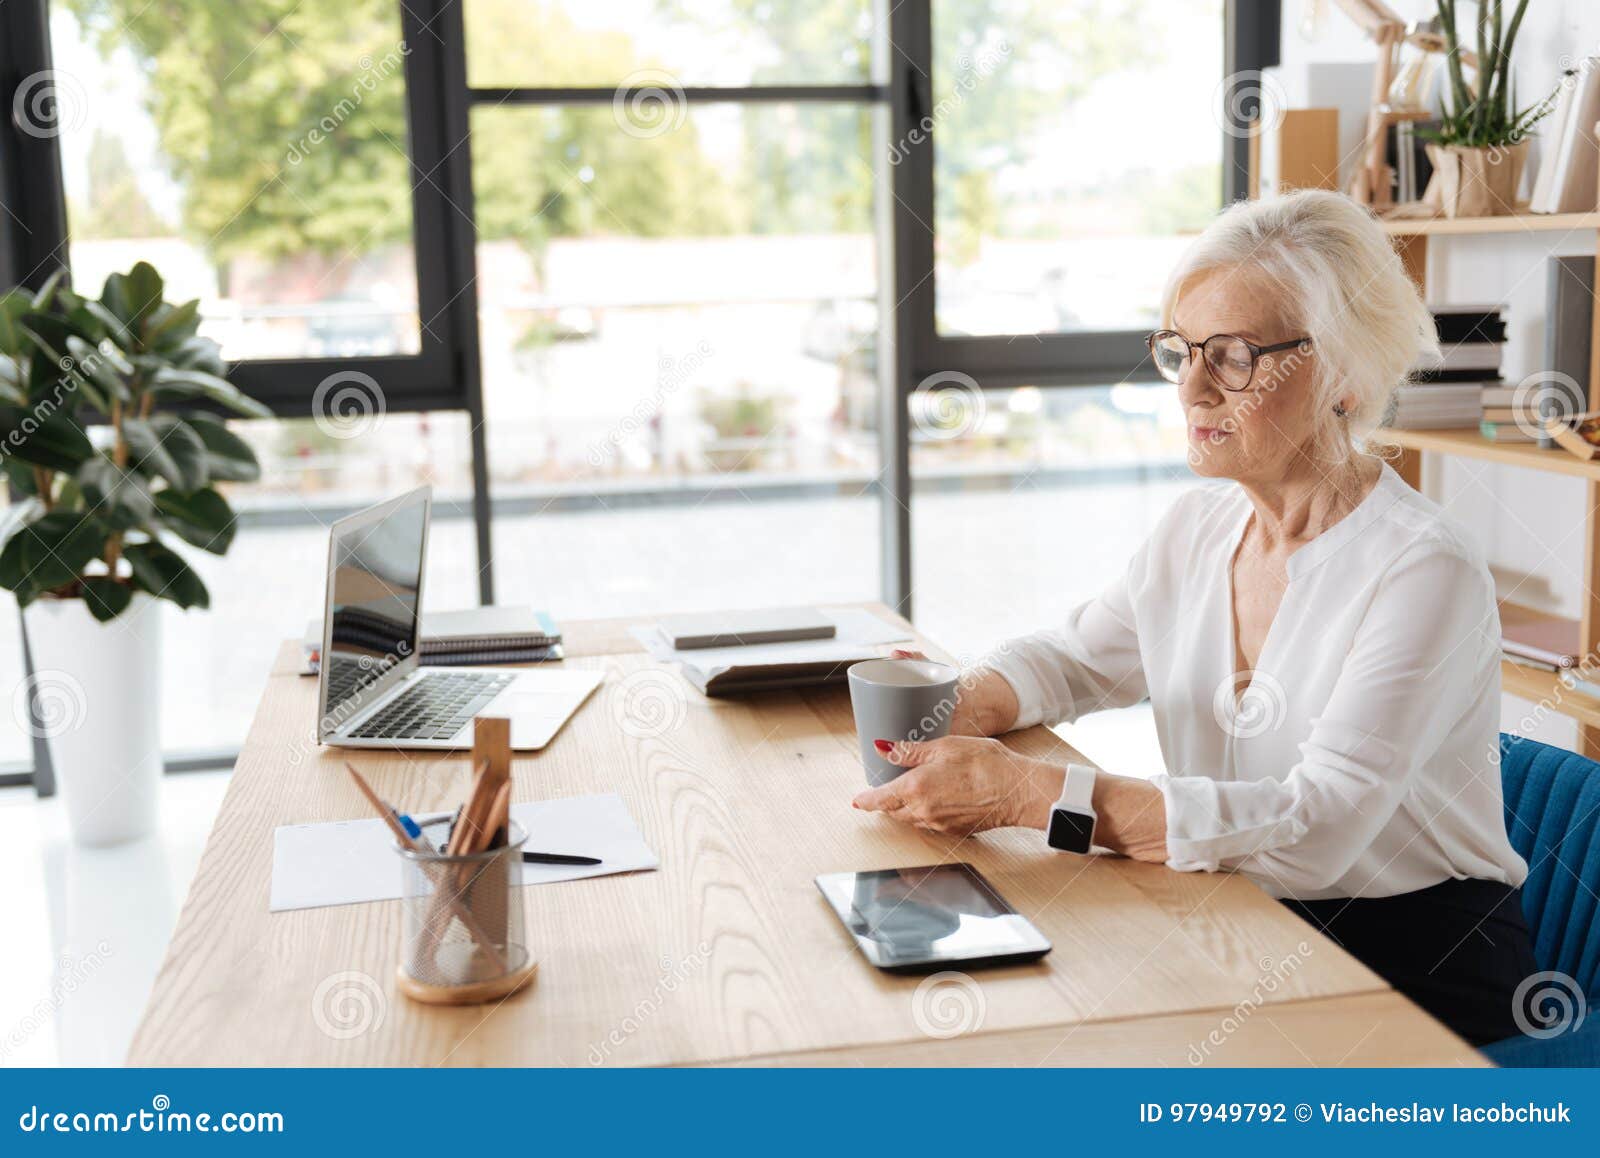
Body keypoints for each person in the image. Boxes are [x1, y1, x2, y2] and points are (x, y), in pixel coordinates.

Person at [854, 190, 1534, 1046]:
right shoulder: (1201, 524)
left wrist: (1031, 796)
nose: (1193, 388)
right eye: (1181, 351)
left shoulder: (1424, 568)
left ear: (1347, 374)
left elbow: (1315, 833)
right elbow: (1074, 661)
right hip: (1230, 909)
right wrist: (946, 708)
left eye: (1237, 356)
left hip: (1412, 963)